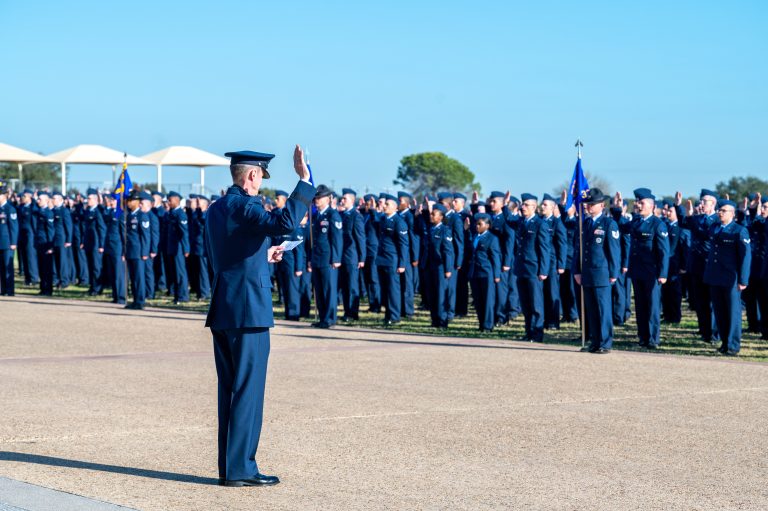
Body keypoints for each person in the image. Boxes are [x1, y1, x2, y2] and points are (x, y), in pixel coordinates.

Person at [205, 146, 315, 487]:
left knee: (231, 391)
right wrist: (305, 181)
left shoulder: (216, 208)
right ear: (252, 175)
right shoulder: (246, 203)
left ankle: (231, 466)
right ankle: (241, 469)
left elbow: (229, 252)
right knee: (248, 391)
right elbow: (283, 222)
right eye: (261, 177)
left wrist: (261, 256)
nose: (261, 185)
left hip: (225, 305)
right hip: (248, 309)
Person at [614, 189, 670, 349]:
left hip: (652, 272)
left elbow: (663, 252)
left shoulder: (658, 224)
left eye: (642, 202)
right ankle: (643, 337)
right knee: (640, 306)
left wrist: (663, 273)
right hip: (637, 271)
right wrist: (617, 209)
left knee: (652, 306)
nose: (638, 205)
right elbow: (622, 227)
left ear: (652, 206)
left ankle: (653, 339)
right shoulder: (637, 221)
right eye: (638, 202)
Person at [573, 189, 621, 353]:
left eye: (592, 204)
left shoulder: (609, 224)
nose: (588, 207)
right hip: (586, 273)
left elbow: (613, 251)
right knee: (591, 310)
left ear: (602, 205)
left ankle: (605, 343)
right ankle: (594, 341)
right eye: (587, 204)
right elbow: (578, 249)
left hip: (602, 273)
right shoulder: (584, 223)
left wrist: (614, 273)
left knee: (603, 309)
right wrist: (576, 271)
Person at [703, 199, 751, 355]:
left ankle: (733, 345)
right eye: (719, 210)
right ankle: (724, 342)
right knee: (719, 311)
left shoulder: (739, 230)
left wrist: (743, 279)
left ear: (732, 213)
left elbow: (745, 257)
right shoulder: (714, 227)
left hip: (731, 277)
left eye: (723, 210)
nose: (720, 213)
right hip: (715, 275)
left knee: (733, 312)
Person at [675, 189, 720, 343]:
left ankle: (714, 334)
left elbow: (706, 233)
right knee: (700, 301)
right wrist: (680, 207)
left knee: (712, 301)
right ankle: (704, 331)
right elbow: (682, 223)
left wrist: (692, 217)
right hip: (696, 265)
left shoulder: (717, 219)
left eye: (705, 201)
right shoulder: (698, 218)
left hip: (710, 266)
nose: (701, 203)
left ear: (713, 203)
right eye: (701, 201)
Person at [510, 193, 551, 342]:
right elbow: (508, 219)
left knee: (536, 304)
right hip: (521, 268)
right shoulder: (521, 222)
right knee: (526, 304)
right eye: (522, 204)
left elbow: (544, 249)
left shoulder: (540, 224)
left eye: (526, 205)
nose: (523, 207)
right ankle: (528, 332)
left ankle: (537, 334)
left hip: (534, 269)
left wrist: (544, 270)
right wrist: (505, 205)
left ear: (534, 207)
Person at [309, 184, 342, 328]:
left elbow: (336, 239)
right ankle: (323, 318)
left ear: (328, 199)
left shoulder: (333, 215)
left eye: (319, 197)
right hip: (317, 258)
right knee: (319, 290)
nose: (316, 200)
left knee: (329, 290)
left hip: (328, 259)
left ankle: (330, 319)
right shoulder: (317, 216)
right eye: (315, 197)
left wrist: (336, 258)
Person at [376, 193, 409, 326]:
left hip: (392, 260)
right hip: (382, 259)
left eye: (387, 204)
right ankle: (388, 314)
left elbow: (403, 244)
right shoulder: (383, 219)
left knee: (393, 289)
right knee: (384, 289)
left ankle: (395, 316)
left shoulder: (399, 222)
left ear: (395, 208)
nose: (384, 206)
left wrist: (402, 263)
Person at [421, 203, 454, 328]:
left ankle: (442, 321)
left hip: (440, 267)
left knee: (441, 295)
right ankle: (434, 320)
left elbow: (448, 251)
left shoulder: (445, 230)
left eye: (433, 214)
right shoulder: (430, 229)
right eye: (431, 213)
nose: (431, 216)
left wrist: (448, 268)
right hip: (429, 266)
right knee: (431, 294)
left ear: (440, 217)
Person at [468, 213, 501, 332]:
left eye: (479, 224)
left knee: (487, 300)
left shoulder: (492, 238)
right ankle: (481, 324)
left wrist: (497, 275)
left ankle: (488, 325)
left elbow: (495, 257)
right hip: (474, 272)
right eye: (476, 224)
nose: (477, 226)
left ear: (487, 225)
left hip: (486, 272)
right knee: (478, 300)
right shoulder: (474, 236)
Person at [539, 193, 567, 329]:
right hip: (539, 262)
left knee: (552, 292)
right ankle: (544, 319)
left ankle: (553, 321)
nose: (542, 207)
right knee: (541, 292)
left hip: (551, 262)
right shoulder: (539, 221)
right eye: (542, 204)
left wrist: (561, 264)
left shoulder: (557, 223)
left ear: (552, 207)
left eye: (545, 205)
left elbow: (562, 244)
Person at [338, 188, 366, 322]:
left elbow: (360, 238)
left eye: (345, 199)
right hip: (342, 255)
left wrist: (362, 257)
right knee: (344, 286)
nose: (342, 201)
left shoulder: (356, 216)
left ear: (352, 201)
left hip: (352, 255)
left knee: (352, 286)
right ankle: (346, 311)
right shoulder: (342, 215)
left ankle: (352, 312)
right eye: (342, 198)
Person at [437, 191, 463, 323]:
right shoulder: (440, 217)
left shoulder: (455, 219)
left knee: (450, 288)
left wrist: (458, 261)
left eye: (440, 203)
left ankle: (450, 313)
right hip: (440, 258)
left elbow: (459, 241)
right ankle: (442, 312)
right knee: (442, 288)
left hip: (451, 259)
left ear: (448, 205)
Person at [123, 190, 150, 309]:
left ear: (137, 201)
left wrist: (144, 252)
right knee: (133, 277)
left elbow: (145, 236)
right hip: (130, 251)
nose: (128, 203)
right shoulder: (130, 215)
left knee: (139, 278)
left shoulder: (142, 216)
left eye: (131, 200)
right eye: (128, 200)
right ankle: (134, 300)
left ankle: (140, 301)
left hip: (139, 252)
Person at [165, 191, 190, 304]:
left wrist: (186, 249)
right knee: (174, 273)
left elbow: (184, 233)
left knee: (180, 273)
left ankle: (183, 296)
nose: (168, 202)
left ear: (176, 199)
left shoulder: (180, 214)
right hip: (172, 247)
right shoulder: (171, 213)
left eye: (170, 200)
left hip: (179, 248)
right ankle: (177, 296)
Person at [101, 195, 126, 304]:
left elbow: (124, 233)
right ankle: (115, 296)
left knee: (118, 273)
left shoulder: (121, 214)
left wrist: (124, 251)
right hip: (109, 246)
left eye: (112, 200)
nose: (110, 201)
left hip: (118, 247)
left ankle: (121, 297)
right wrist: (106, 206)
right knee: (112, 273)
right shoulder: (111, 212)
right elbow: (104, 218)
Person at [82, 189, 106, 296]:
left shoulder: (98, 212)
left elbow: (101, 229)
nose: (88, 200)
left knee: (97, 267)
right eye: (88, 198)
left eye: (90, 198)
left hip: (96, 243)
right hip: (88, 242)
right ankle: (92, 286)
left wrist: (101, 244)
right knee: (90, 266)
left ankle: (97, 288)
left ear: (96, 200)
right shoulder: (88, 211)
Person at [361, 194, 381, 313]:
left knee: (374, 279)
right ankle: (371, 303)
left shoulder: (375, 215)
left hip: (374, 251)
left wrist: (373, 210)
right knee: (367, 279)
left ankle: (376, 305)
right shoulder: (364, 215)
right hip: (365, 251)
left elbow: (377, 223)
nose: (366, 205)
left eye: (368, 203)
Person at [34, 192, 55, 296]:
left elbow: (50, 231)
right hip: (39, 243)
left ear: (47, 201)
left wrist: (51, 246)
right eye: (38, 199)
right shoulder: (38, 212)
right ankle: (42, 288)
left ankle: (48, 289)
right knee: (41, 268)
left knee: (47, 268)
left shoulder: (48, 213)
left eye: (40, 199)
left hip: (46, 244)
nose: (38, 201)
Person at [16, 189, 39, 286]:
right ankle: (27, 278)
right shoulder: (21, 207)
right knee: (24, 256)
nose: (22, 198)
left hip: (30, 234)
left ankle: (34, 278)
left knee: (31, 256)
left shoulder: (32, 207)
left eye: (24, 196)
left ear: (30, 197)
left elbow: (36, 210)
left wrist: (34, 200)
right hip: (21, 234)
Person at [139, 192, 159, 300]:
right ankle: (145, 292)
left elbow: (155, 234)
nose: (140, 205)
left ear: (148, 204)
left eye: (142, 203)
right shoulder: (143, 215)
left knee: (148, 273)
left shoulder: (152, 216)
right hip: (143, 249)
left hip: (149, 250)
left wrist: (153, 249)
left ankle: (150, 293)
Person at [0, 186, 19, 296]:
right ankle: (3, 289)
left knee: (8, 267)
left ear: (4, 196)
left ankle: (10, 290)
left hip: (7, 243)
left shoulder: (10, 209)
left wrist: (13, 242)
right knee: (1, 268)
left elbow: (14, 227)